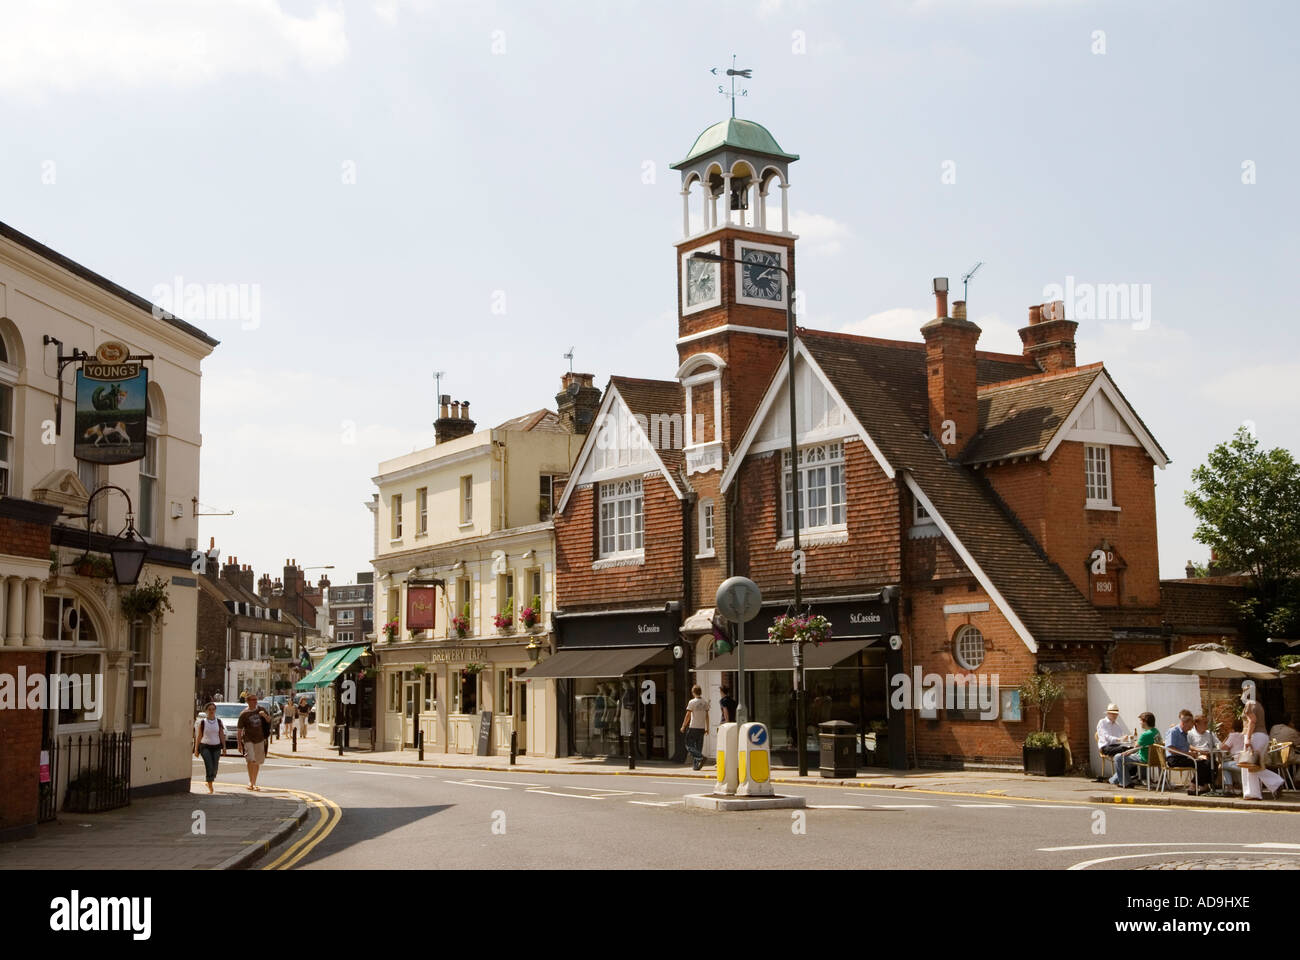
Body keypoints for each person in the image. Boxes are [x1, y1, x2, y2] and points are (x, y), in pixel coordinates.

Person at [1241, 695, 1285, 801]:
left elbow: (1252, 720)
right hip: (1263, 736)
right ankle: (1271, 784)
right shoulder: (1258, 704)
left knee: (1249, 765)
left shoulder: (1249, 704)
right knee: (1254, 765)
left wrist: (1248, 738)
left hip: (1254, 736)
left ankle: (1254, 792)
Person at [1166, 709, 1212, 795]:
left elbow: (1186, 746)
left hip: (1183, 757)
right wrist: (1188, 754)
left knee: (1207, 762)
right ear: (1184, 723)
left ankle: (1203, 786)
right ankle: (1193, 786)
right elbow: (1170, 748)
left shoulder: (1184, 733)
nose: (1191, 728)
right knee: (1202, 764)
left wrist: (1197, 751)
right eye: (1191, 725)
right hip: (1174, 759)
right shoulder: (1174, 732)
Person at [1111, 712, 1157, 788]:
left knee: (1118, 757)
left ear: (1145, 722)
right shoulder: (1156, 732)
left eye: (1141, 721)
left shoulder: (1145, 734)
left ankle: (1126, 783)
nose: (1140, 723)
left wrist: (1128, 751)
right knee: (1125, 759)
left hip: (1144, 758)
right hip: (1154, 758)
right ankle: (1113, 780)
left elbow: (1136, 746)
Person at [237, 694, 273, 791]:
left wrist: (264, 715)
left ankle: (253, 782)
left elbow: (269, 720)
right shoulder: (244, 714)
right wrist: (239, 744)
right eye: (253, 700)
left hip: (260, 739)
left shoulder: (261, 709)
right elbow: (239, 730)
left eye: (256, 699)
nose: (255, 701)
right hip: (248, 739)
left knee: (257, 761)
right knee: (250, 760)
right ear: (248, 701)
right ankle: (250, 782)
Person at [193, 702, 224, 794]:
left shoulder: (218, 721)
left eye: (213, 709)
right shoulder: (203, 722)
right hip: (205, 746)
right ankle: (210, 785)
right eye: (209, 709)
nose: (211, 711)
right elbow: (199, 736)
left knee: (215, 767)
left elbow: (221, 734)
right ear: (206, 711)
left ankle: (210, 780)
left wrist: (224, 747)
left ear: (215, 710)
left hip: (216, 746)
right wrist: (196, 749)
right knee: (209, 765)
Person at [1095, 704, 1129, 781]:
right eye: (1113, 713)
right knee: (1125, 749)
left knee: (1131, 749)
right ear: (1108, 713)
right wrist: (1120, 739)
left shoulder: (1117, 725)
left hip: (1116, 746)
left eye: (1116, 714)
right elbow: (1106, 737)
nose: (1115, 715)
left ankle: (1120, 777)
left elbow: (1121, 737)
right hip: (1106, 747)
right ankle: (1119, 778)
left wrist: (1127, 738)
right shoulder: (1102, 722)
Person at [680, 684, 710, 771]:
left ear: (693, 692)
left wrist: (683, 726)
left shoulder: (692, 702)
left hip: (693, 727)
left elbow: (688, 715)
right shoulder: (705, 702)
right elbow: (707, 716)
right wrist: (707, 728)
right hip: (702, 728)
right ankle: (696, 766)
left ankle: (701, 757)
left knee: (688, 745)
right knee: (698, 747)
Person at [1219, 717, 1246, 794]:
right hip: (1246, 761)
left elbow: (1223, 748)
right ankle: (1238, 787)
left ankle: (1230, 788)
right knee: (1228, 767)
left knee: (1223, 766)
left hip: (1237, 762)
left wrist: (1227, 737)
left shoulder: (1233, 735)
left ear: (1233, 727)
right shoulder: (1246, 735)